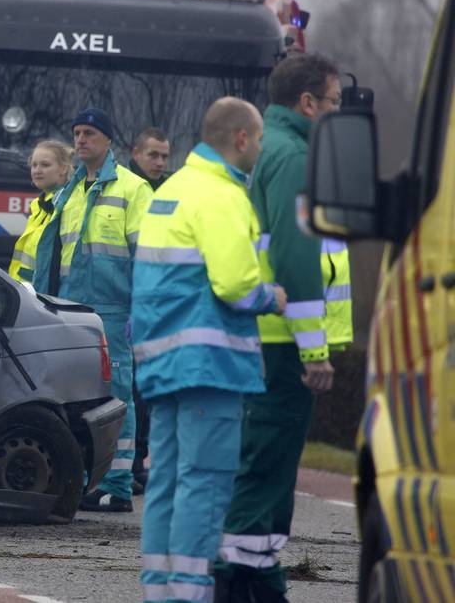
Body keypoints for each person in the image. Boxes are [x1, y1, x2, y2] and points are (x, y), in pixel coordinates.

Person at [131, 97, 286, 603]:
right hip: (210, 364)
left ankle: (161, 590)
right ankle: (192, 591)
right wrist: (273, 296)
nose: (260, 148)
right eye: (258, 139)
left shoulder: (172, 188)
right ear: (242, 138)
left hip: (163, 359)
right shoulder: (221, 195)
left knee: (167, 481)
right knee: (207, 481)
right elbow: (237, 285)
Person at [214, 54, 349, 603]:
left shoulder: (272, 148)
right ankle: (233, 582)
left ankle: (260, 582)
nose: (337, 115)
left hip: (268, 337)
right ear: (309, 103)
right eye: (335, 103)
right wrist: (315, 349)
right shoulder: (295, 156)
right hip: (285, 344)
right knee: (265, 471)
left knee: (267, 472)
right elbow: (296, 260)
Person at [32, 107, 152, 513]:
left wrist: (142, 309)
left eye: (90, 133)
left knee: (117, 397)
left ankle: (117, 486)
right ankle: (90, 481)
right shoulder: (73, 191)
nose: (81, 140)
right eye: (77, 133)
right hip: (73, 308)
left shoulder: (133, 190)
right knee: (81, 397)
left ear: (108, 140)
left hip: (114, 310)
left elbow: (147, 256)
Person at [127, 126, 171, 495]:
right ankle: (135, 464)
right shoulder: (129, 189)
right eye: (153, 155)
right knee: (136, 389)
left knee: (147, 389)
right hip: (132, 302)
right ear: (135, 153)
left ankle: (140, 461)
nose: (159, 162)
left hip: (160, 303)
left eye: (164, 156)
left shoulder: (170, 190)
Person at [9, 140, 73, 284]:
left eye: (45, 165)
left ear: (63, 169)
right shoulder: (40, 206)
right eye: (34, 165)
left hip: (43, 297)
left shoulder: (66, 206)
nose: (37, 170)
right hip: (28, 294)